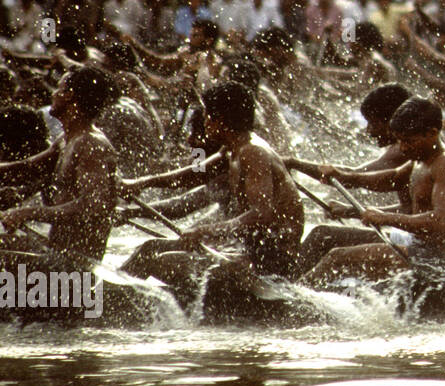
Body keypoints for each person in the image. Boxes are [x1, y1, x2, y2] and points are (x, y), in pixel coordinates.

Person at [122, 82, 304, 284]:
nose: (205, 121)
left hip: (272, 259)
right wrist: (141, 183)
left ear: (222, 121)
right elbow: (194, 174)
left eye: (208, 115)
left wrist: (204, 231)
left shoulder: (253, 152)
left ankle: (101, 302)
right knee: (150, 248)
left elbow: (262, 213)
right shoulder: (231, 149)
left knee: (162, 262)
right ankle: (100, 297)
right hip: (247, 248)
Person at [299, 98, 445, 289]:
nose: (403, 148)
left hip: (434, 262)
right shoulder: (421, 158)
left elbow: (442, 222)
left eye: (409, 141)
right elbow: (391, 179)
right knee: (324, 235)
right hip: (412, 244)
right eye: (400, 141)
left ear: (432, 133)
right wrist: (345, 177)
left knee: (337, 258)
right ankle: (288, 283)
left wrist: (384, 218)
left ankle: (291, 301)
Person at [0, 67, 119, 270]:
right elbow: (27, 168)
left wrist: (28, 213)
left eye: (58, 88)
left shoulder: (91, 145)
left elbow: (92, 206)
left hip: (74, 264)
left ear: (69, 97)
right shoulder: (67, 139)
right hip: (54, 251)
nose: (53, 94)